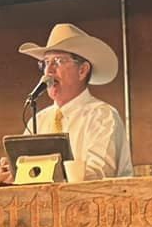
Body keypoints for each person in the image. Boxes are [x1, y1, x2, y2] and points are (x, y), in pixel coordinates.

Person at [16, 22, 132, 181]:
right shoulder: (38, 120)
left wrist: (55, 174)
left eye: (57, 61)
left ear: (83, 70)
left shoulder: (102, 116)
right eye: (45, 63)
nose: (48, 71)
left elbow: (100, 172)